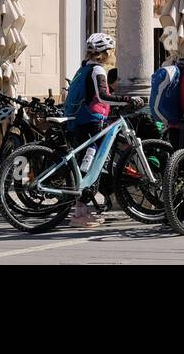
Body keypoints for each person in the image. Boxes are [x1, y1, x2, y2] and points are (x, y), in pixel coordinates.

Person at [62, 32, 143, 228]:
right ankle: (80, 214)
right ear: (106, 52)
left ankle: (81, 210)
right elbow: (103, 97)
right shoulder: (98, 70)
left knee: (85, 164)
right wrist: (128, 100)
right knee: (91, 166)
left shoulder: (83, 68)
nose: (113, 54)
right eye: (112, 50)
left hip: (80, 120)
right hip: (92, 121)